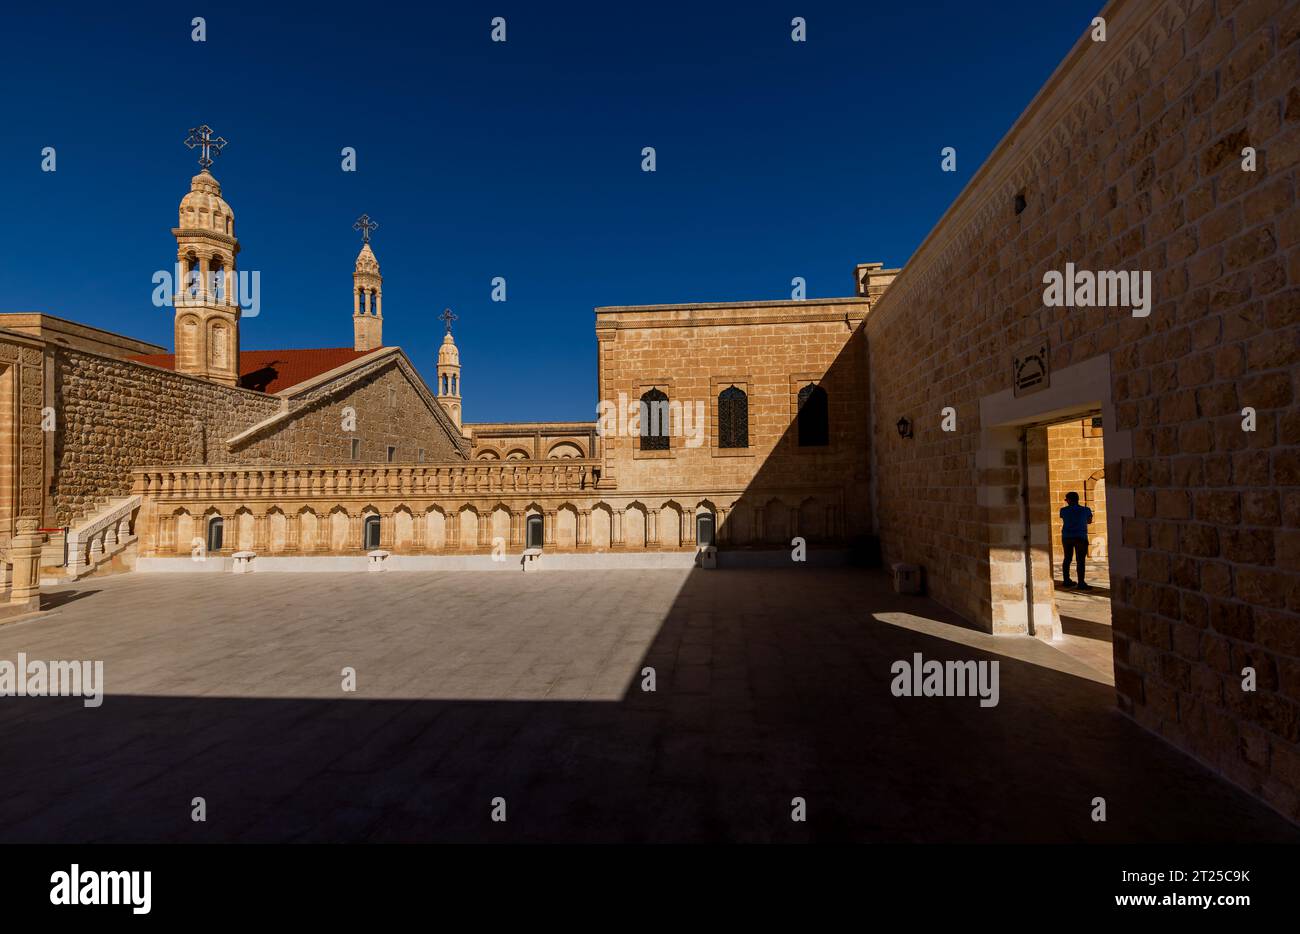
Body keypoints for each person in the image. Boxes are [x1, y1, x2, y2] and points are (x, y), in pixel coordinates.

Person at [1059, 491, 1093, 590]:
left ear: (1069, 500)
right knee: (1080, 561)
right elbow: (1089, 521)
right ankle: (1081, 583)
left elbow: (1063, 517)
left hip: (1067, 537)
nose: (1066, 501)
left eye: (1066, 500)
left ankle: (1066, 580)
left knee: (1067, 559)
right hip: (1080, 537)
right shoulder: (1086, 510)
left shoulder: (1063, 510)